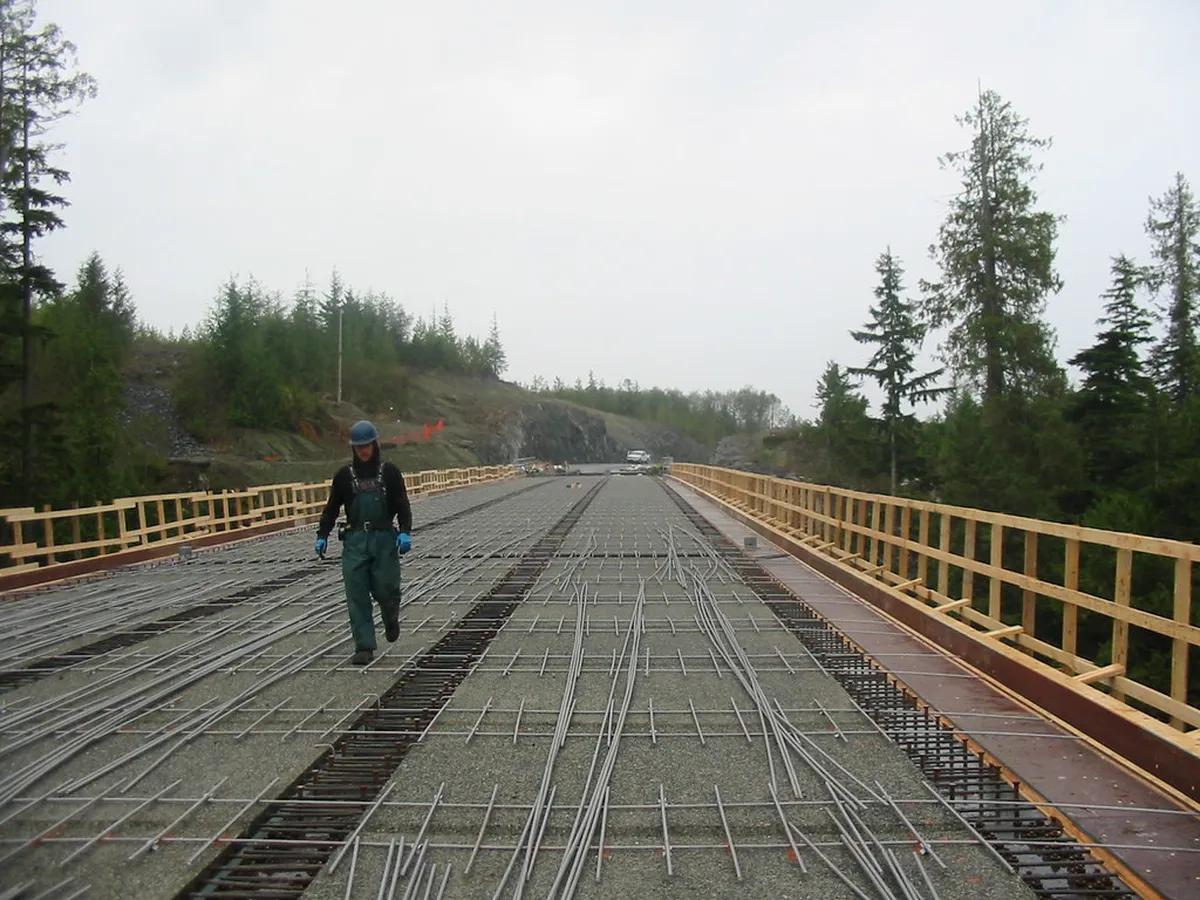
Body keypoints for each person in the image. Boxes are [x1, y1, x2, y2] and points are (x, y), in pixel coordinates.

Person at [315, 420, 413, 665]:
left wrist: (405, 531)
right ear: (353, 448)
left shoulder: (389, 473)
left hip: (383, 539)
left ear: (374, 444)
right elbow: (331, 509)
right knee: (356, 593)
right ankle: (364, 646)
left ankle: (390, 615)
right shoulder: (344, 476)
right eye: (358, 447)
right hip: (356, 540)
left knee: (386, 589)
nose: (363, 451)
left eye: (366, 445)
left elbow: (402, 504)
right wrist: (322, 535)